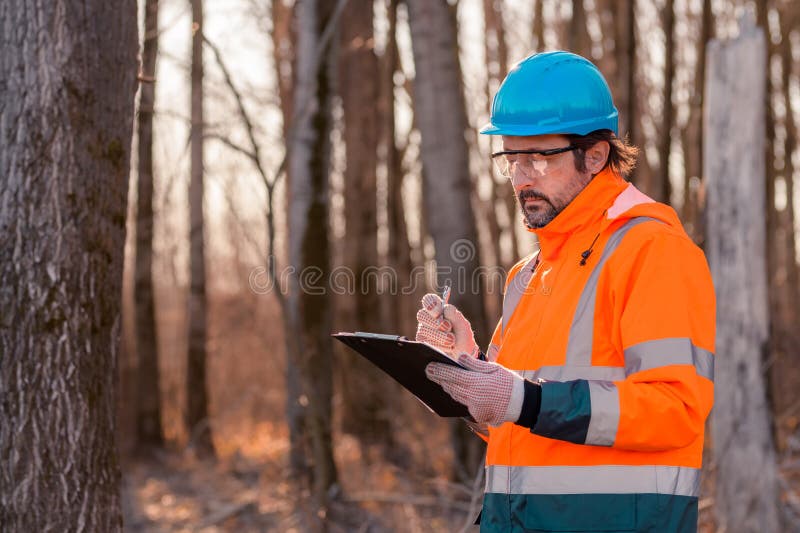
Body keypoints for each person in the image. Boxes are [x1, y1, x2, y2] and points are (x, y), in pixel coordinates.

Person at [415, 51, 715, 532]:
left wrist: (523, 400)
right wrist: (466, 368)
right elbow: (518, 431)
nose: (521, 178)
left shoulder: (651, 250)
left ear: (594, 156)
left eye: (538, 157)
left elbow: (675, 410)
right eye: (511, 158)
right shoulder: (527, 275)